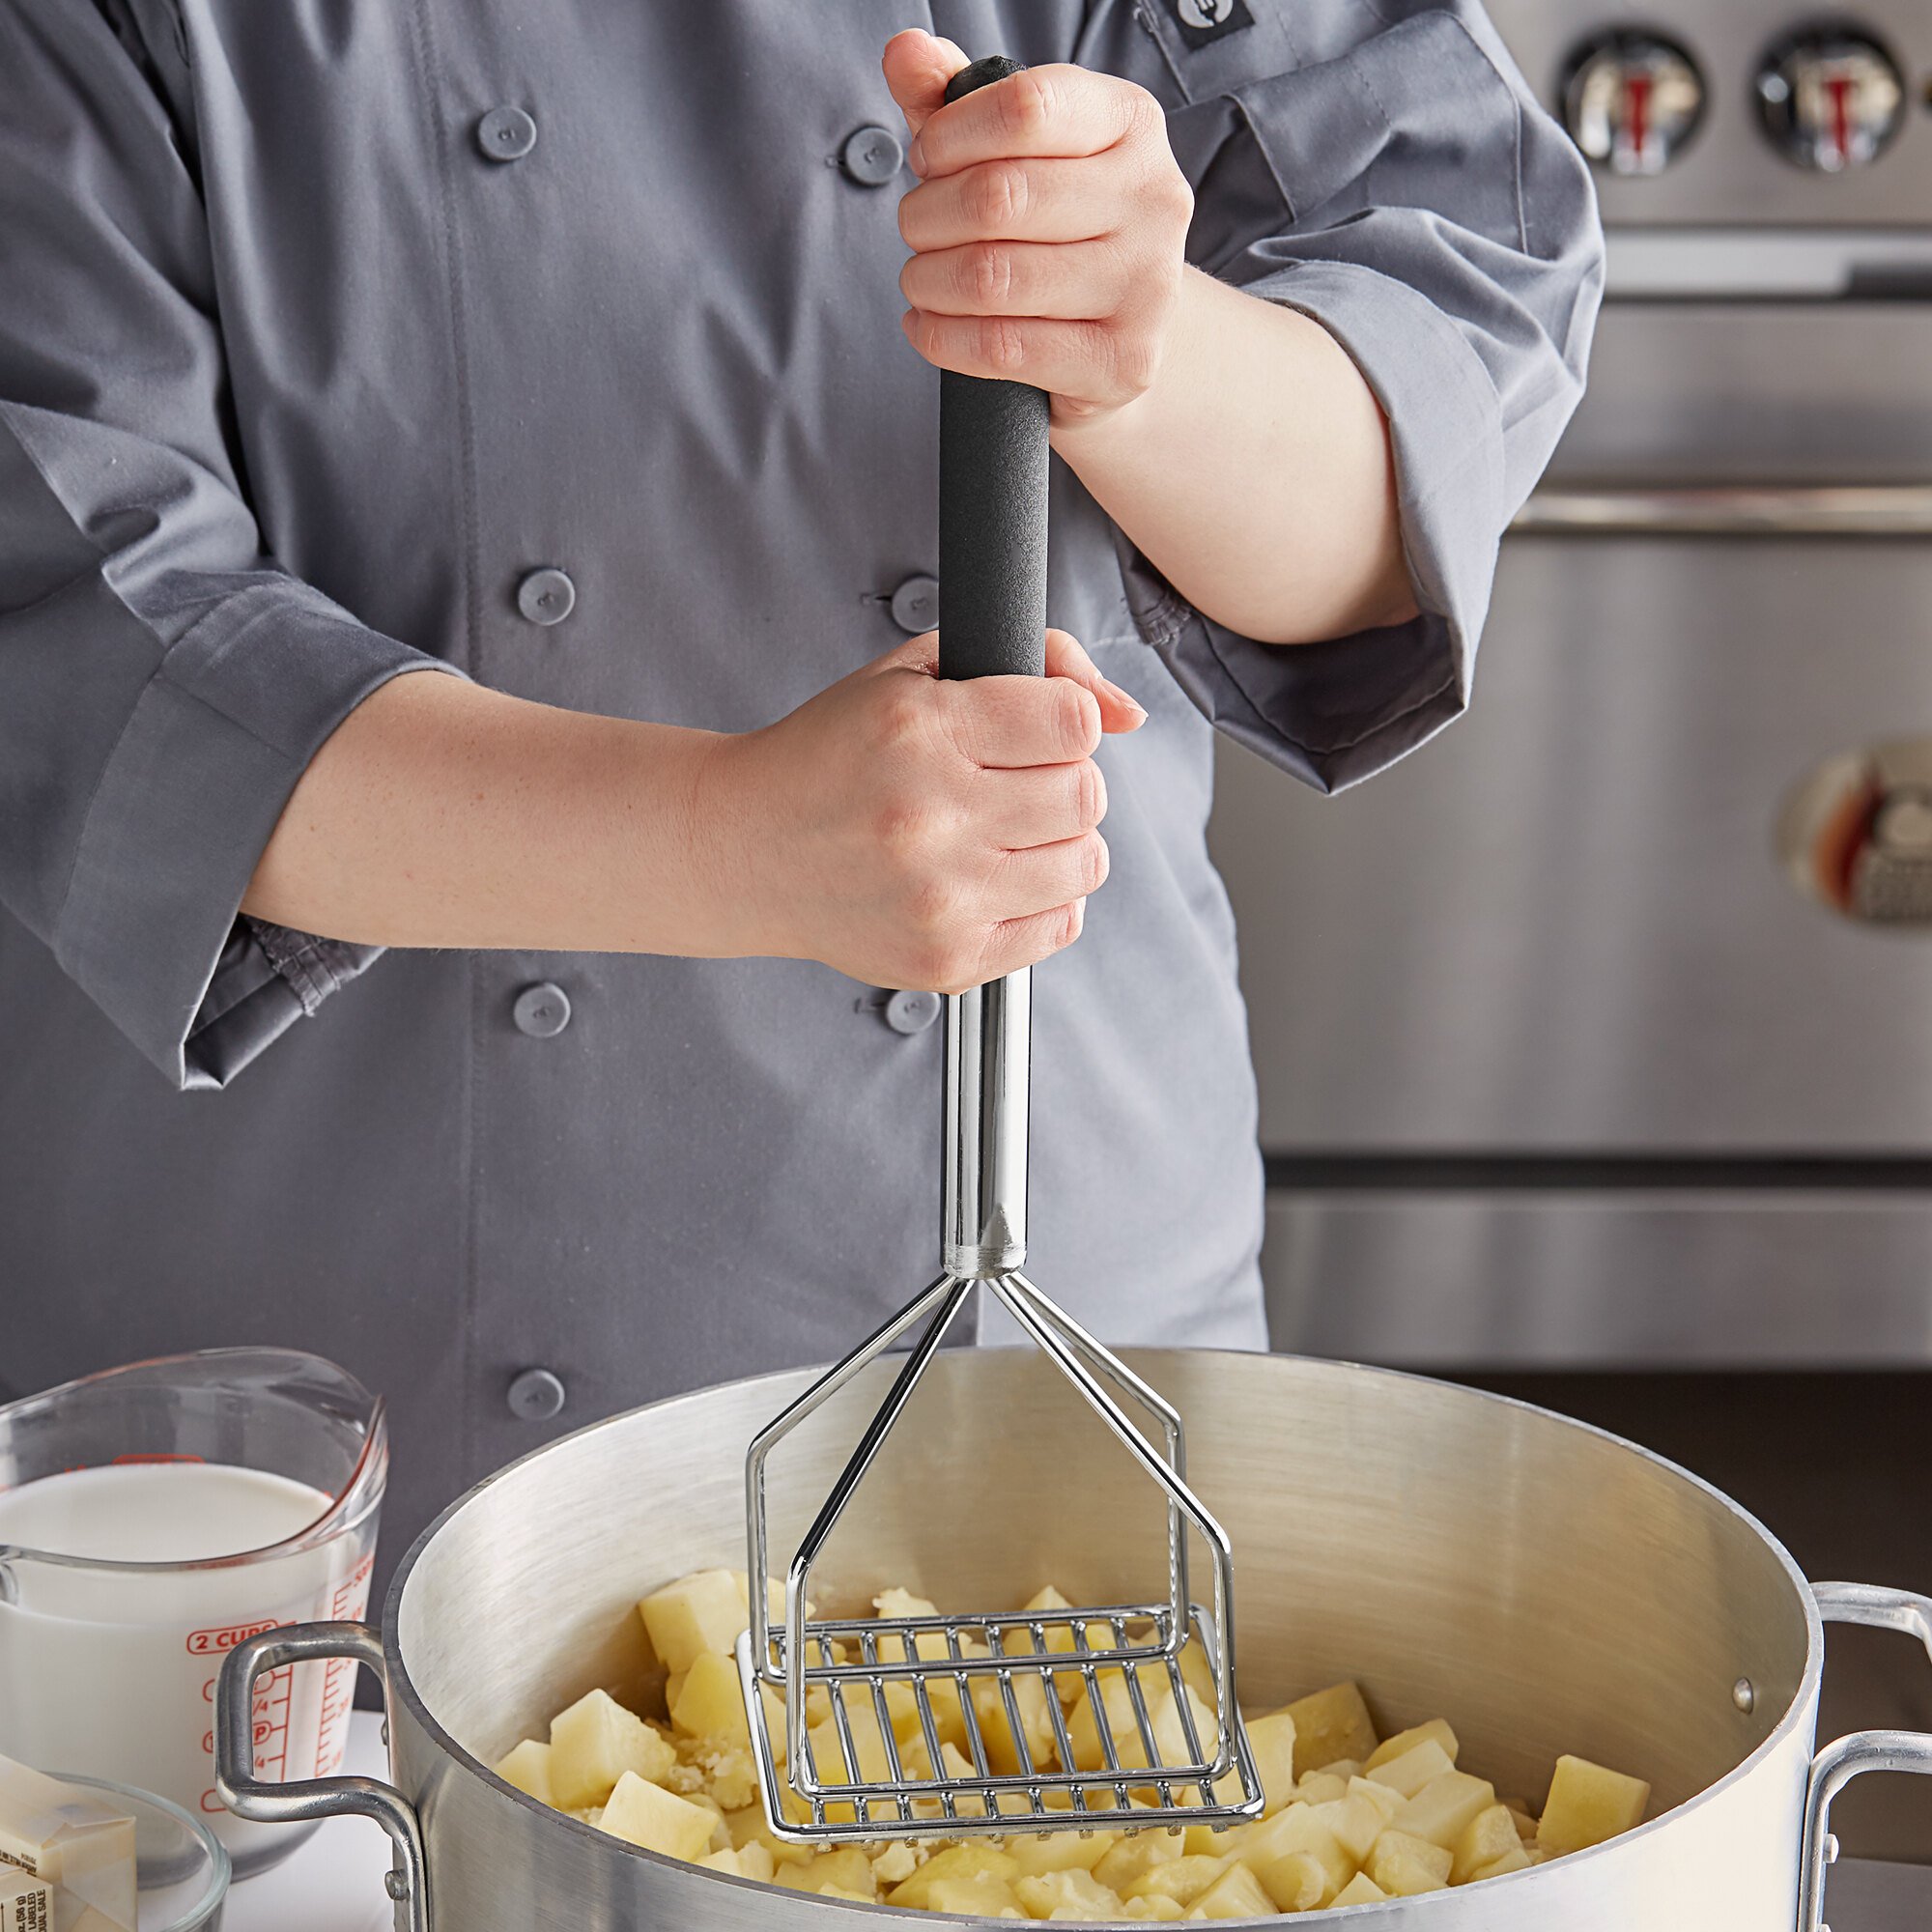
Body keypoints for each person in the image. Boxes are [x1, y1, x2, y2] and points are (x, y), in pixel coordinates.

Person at [0, 2, 1603, 1568]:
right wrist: (727, 845)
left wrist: (1148, 350)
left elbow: (1428, 395)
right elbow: (93, 639)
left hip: (1044, 1345)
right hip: (303, 1435)